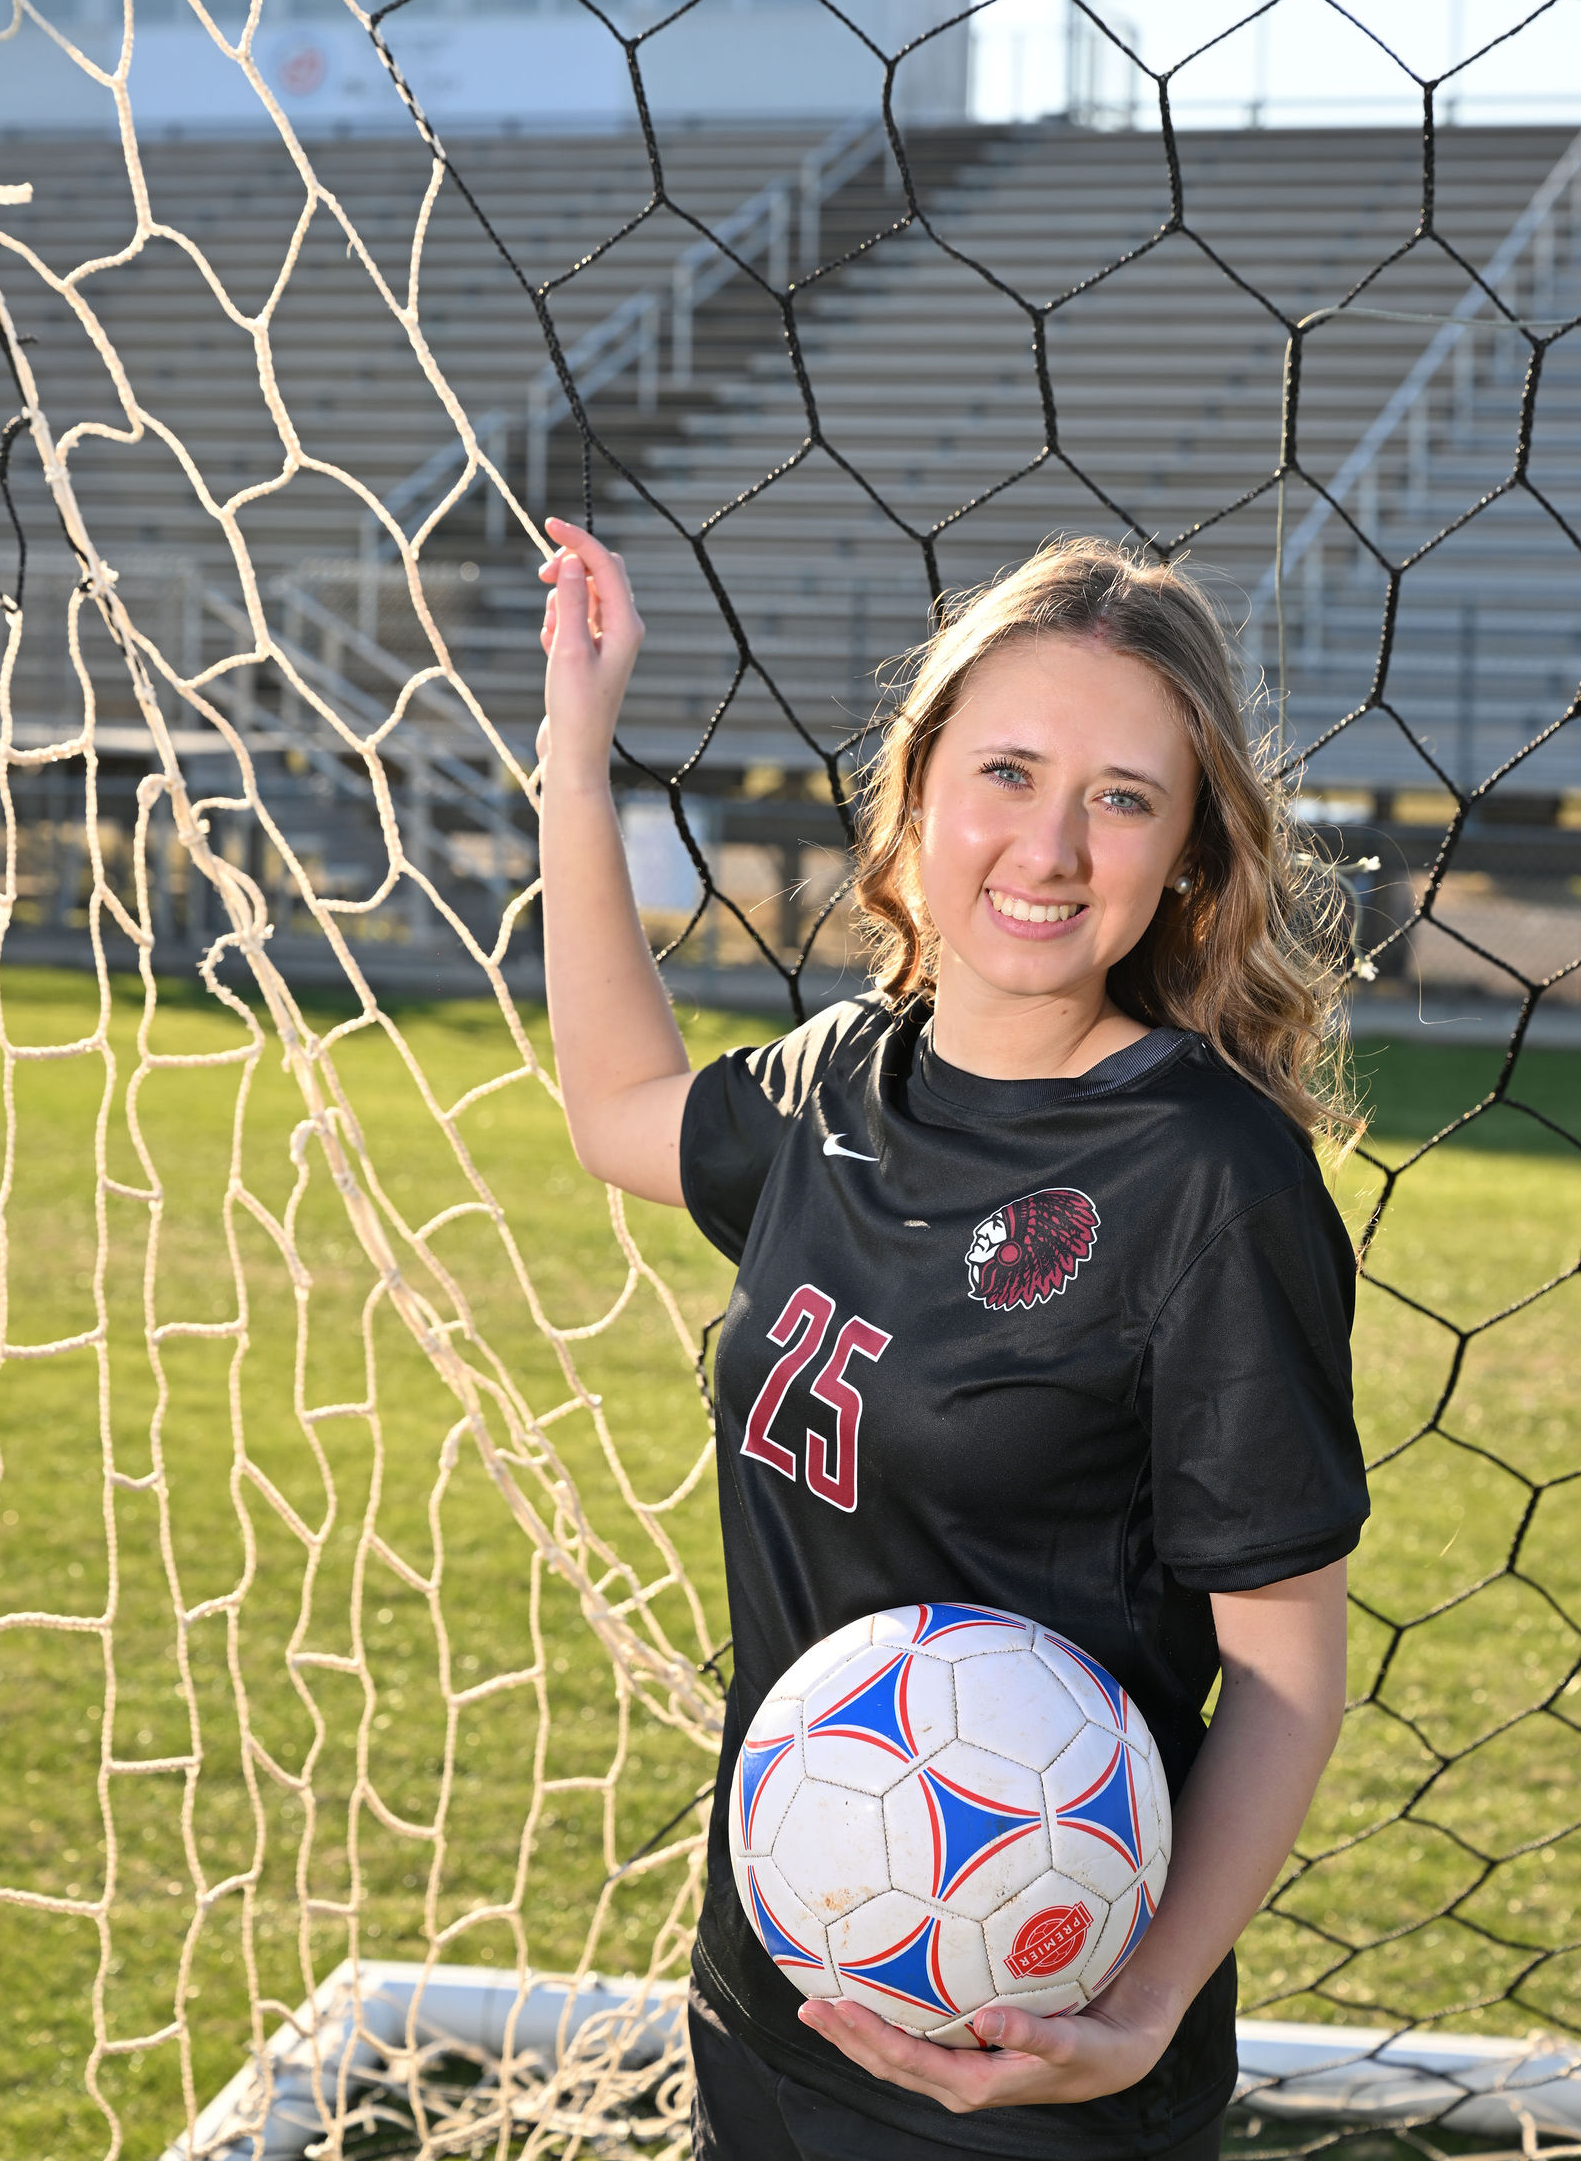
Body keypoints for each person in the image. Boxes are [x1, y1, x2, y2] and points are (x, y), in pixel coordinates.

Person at [534, 516, 1369, 2161]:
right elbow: (617, 1108)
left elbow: (1286, 1669)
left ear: (1189, 856)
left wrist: (1127, 2026)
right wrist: (578, 752)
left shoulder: (1211, 1180)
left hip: (1036, 2059)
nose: (1050, 846)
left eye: (1122, 798)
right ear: (919, 798)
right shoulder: (839, 1084)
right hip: (779, 2003)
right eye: (1007, 772)